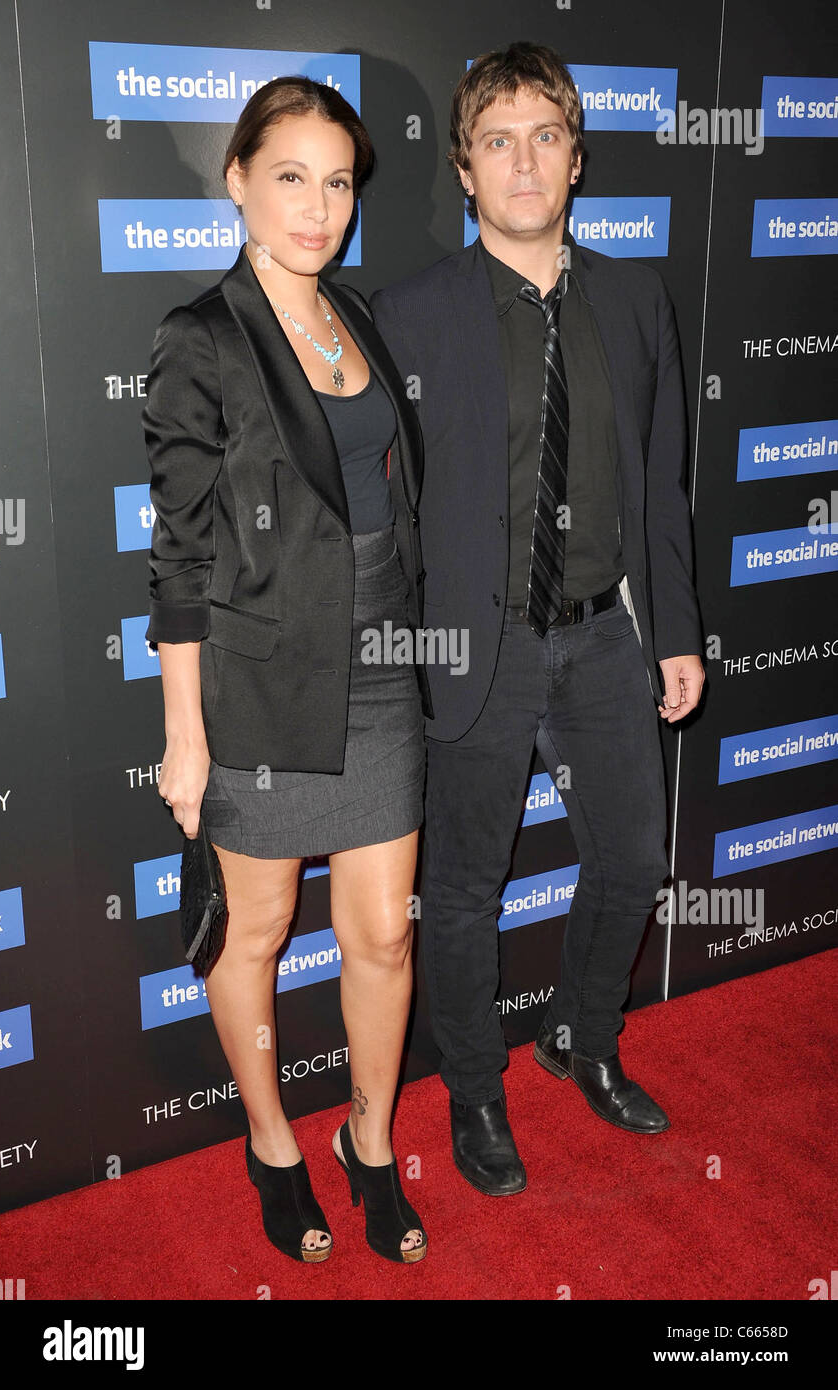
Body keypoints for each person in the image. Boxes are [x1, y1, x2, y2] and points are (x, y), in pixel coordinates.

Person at [372, 42, 706, 1197]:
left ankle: (584, 1037)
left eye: (545, 137)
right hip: (479, 648)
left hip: (606, 633)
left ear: (576, 156)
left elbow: (662, 479)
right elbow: (387, 511)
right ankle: (473, 1089)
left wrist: (674, 629)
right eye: (497, 141)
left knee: (633, 857)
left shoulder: (631, 296)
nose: (524, 162)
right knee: (463, 889)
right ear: (463, 169)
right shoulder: (408, 314)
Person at [142, 76, 429, 1262]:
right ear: (239, 182)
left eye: (339, 181)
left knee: (383, 937)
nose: (317, 208)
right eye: (290, 177)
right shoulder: (199, 339)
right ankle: (270, 1141)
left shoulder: (354, 312)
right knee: (252, 934)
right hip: (258, 686)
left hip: (381, 677)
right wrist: (187, 734)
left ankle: (370, 1143)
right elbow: (178, 556)